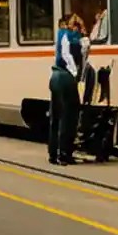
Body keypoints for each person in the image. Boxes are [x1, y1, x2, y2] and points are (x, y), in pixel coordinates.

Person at [48, 14, 86, 165]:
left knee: (55, 118)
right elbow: (84, 48)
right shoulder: (73, 36)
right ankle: (64, 154)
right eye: (74, 23)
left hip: (55, 76)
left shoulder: (59, 35)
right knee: (69, 118)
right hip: (67, 78)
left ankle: (53, 154)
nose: (76, 26)